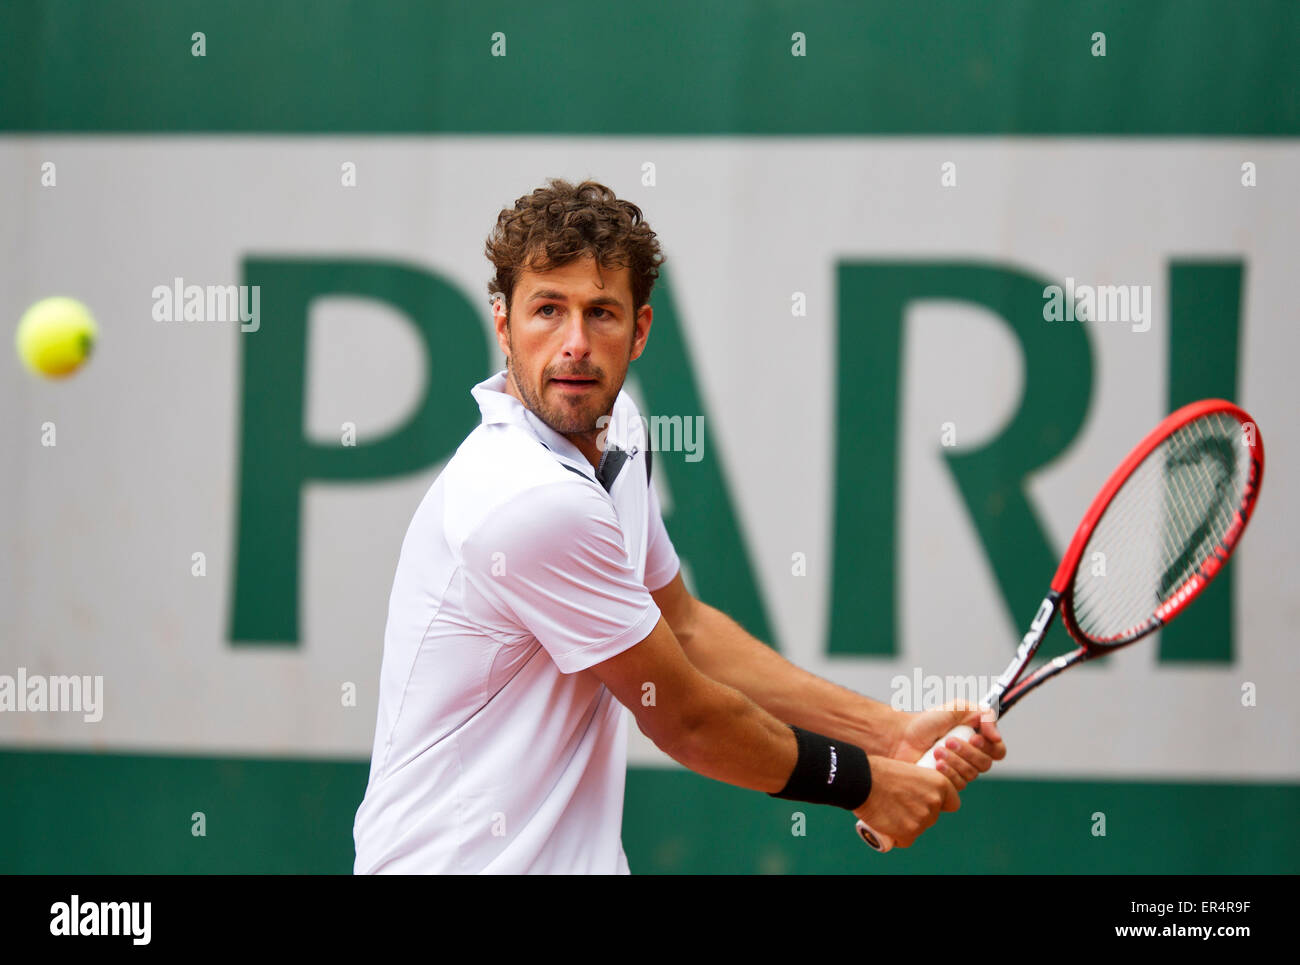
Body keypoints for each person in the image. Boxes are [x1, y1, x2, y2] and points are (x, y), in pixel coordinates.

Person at [352, 178, 1005, 873]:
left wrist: (889, 731)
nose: (575, 343)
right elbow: (687, 719)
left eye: (601, 313)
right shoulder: (524, 499)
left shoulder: (620, 429)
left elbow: (685, 630)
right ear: (503, 323)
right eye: (548, 310)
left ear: (640, 329)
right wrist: (866, 783)